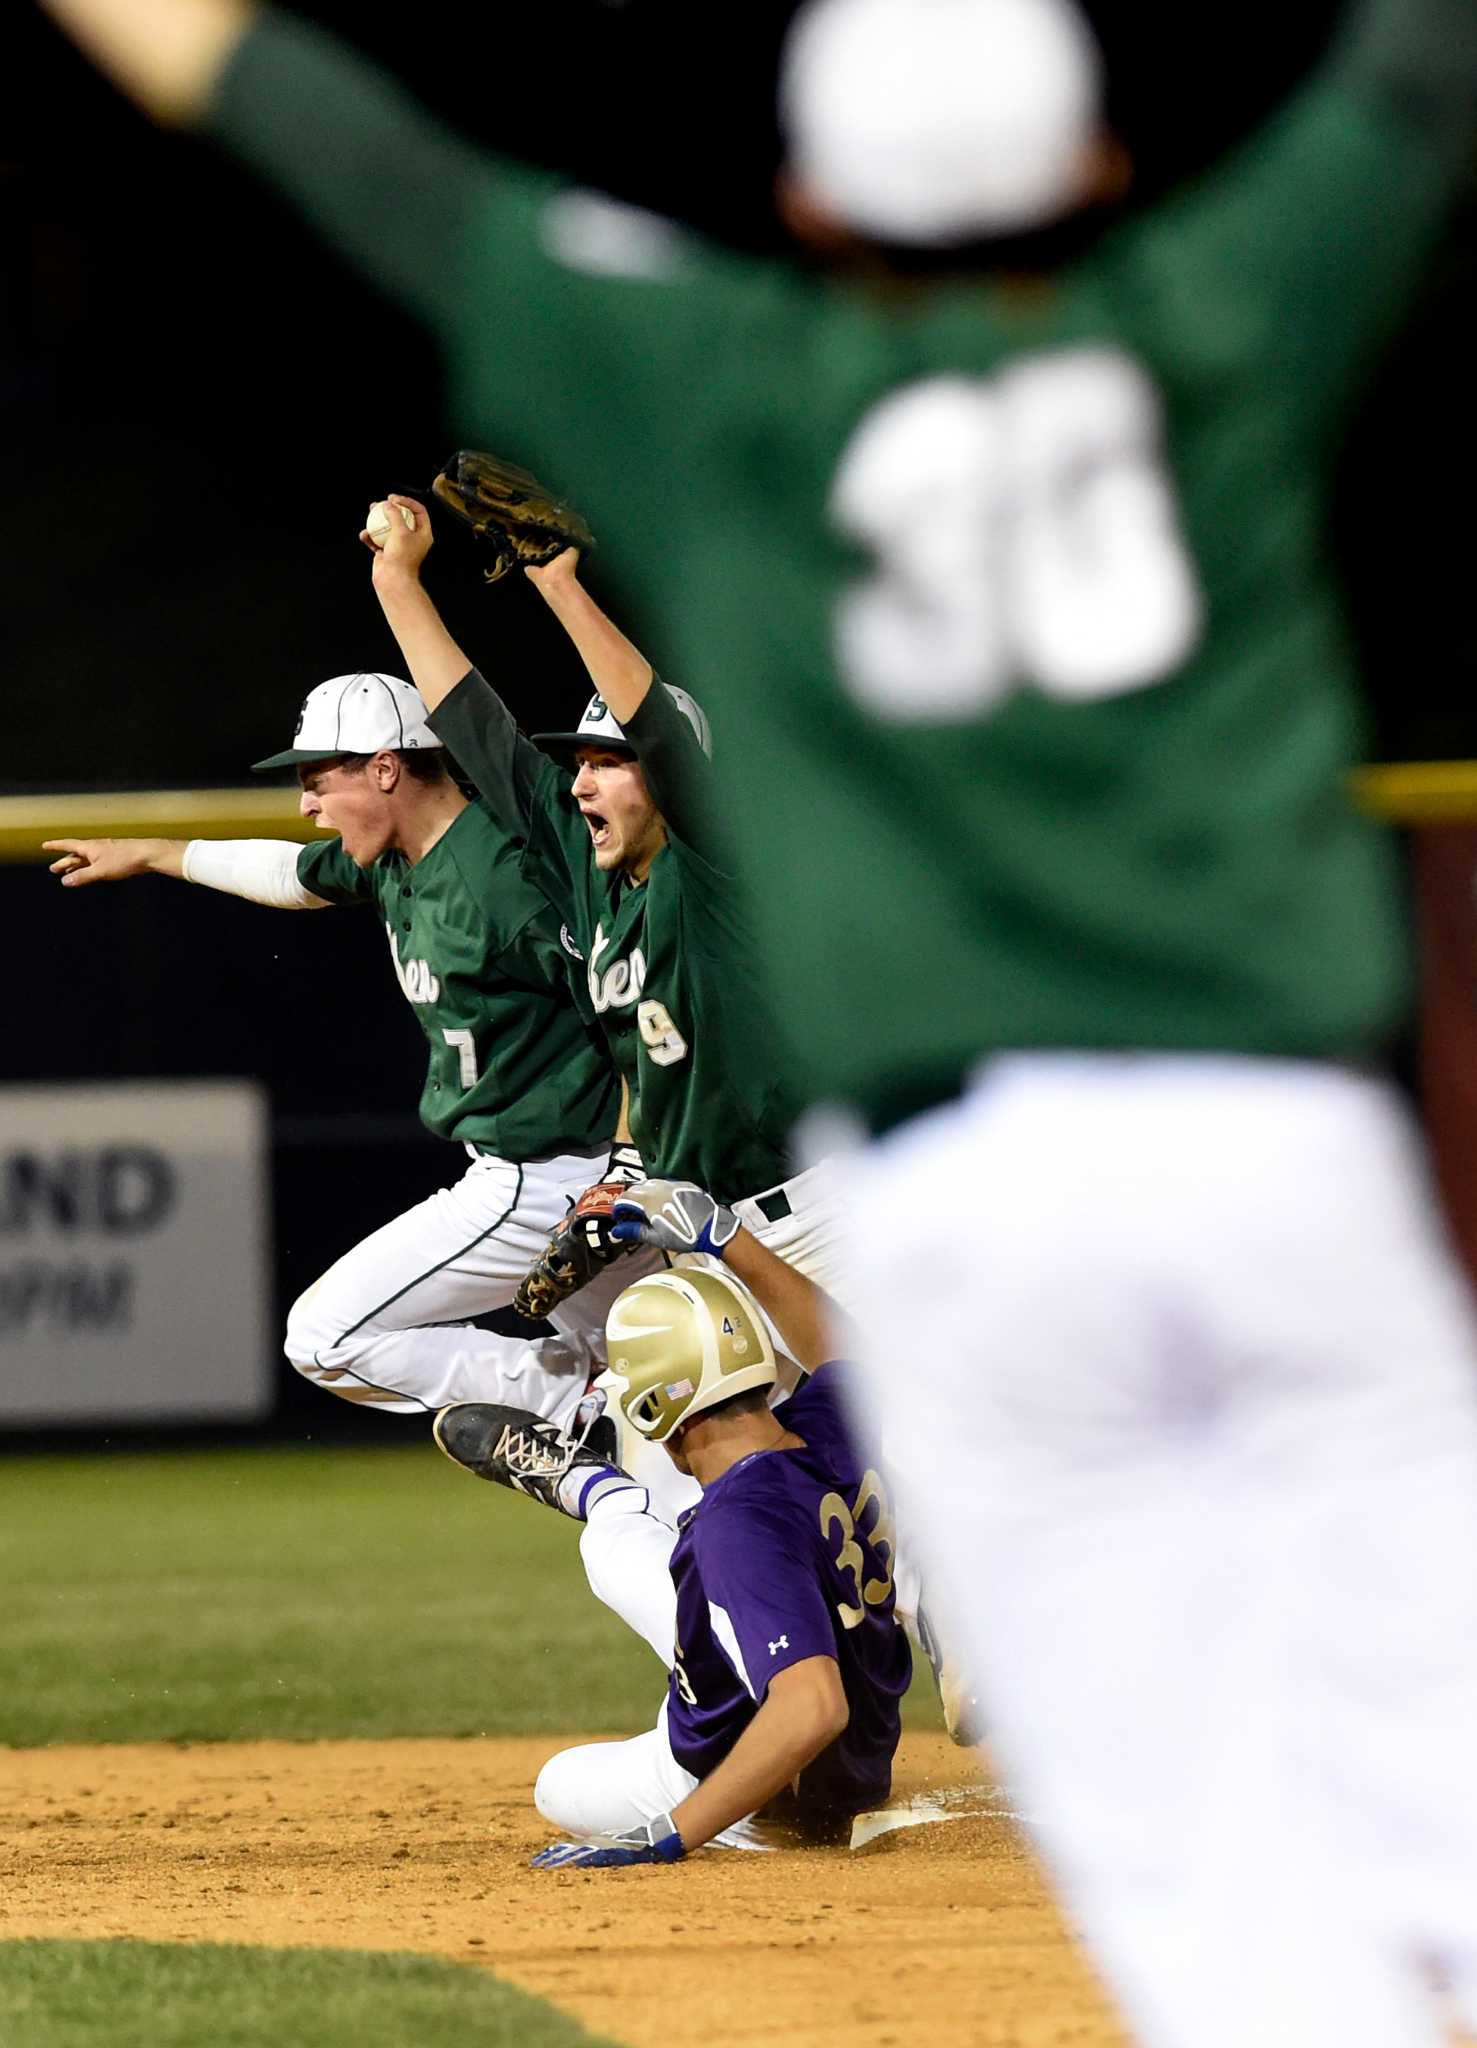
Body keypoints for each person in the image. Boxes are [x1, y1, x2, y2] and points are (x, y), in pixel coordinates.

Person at [34, 0, 1477, 2035]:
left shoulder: (738, 389)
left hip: (948, 1197)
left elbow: (370, 158)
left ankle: (826, 1681)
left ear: (804, 205)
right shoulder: (1211, 318)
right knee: (1431, 1740)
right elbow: (1416, 75)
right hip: (1284, 1154)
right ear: (1103, 177)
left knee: (1209, 1885)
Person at [45, 662, 645, 1427]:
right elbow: (291, 874)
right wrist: (159, 852)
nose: (307, 802)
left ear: (387, 768)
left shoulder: (501, 883)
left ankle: (568, 1399)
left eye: (319, 779)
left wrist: (626, 1169)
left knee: (326, 1338)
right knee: (667, 1399)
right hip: (552, 1173)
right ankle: (628, 1433)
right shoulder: (401, 861)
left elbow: (628, 1018)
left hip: (551, 1177)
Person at [363, 507, 848, 1306]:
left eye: (609, 763)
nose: (581, 782)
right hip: (699, 1238)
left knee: (862, 1434)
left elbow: (656, 732)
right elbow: (477, 729)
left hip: (813, 1230)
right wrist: (397, 582)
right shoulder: (590, 874)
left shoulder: (716, 873)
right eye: (580, 763)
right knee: (666, 1431)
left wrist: (558, 585)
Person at [433, 1176, 910, 1863]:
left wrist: (672, 1831)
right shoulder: (836, 1422)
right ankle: (588, 1487)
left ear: (653, 1411)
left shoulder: (735, 1527)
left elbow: (811, 1708)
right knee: (621, 1547)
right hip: (863, 1754)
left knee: (558, 1785)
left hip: (765, 1790)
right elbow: (843, 1349)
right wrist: (724, 1237)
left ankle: (596, 1488)